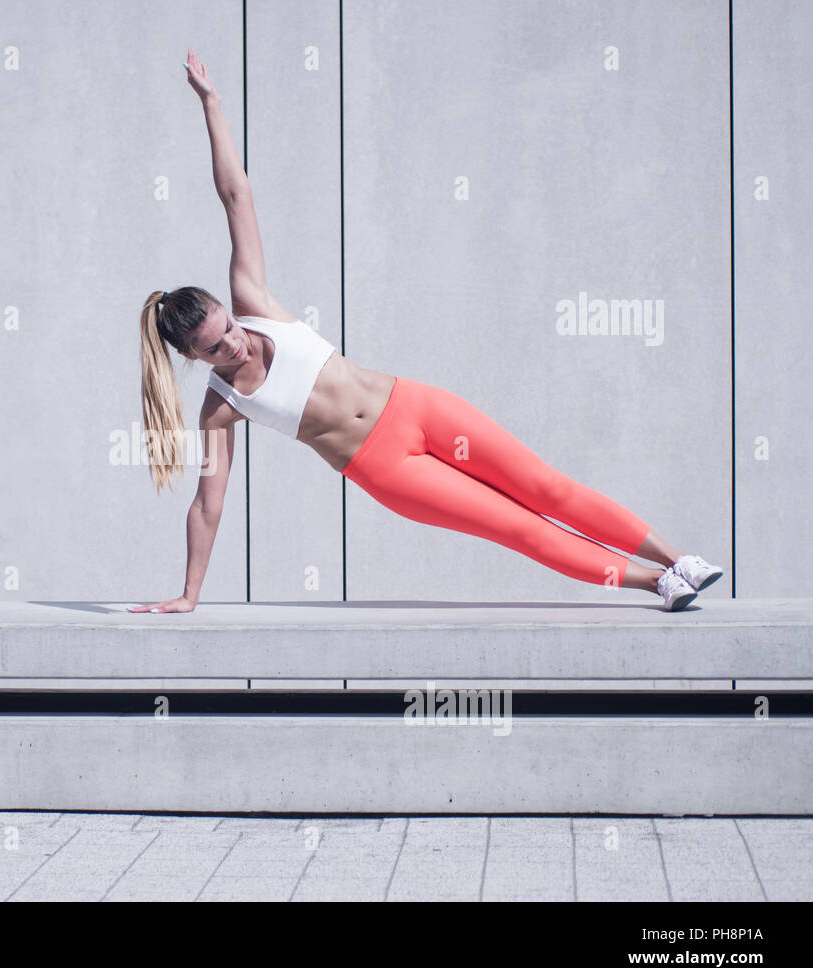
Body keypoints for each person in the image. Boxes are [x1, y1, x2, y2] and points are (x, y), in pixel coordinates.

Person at [130, 49, 722, 615]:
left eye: (228, 327)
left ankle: (679, 560)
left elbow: (236, 194)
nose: (234, 342)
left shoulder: (253, 302)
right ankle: (658, 585)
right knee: (517, 526)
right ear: (191, 355)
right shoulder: (219, 409)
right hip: (385, 468)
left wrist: (210, 102)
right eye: (215, 346)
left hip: (414, 405)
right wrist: (189, 593)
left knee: (548, 488)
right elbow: (208, 505)